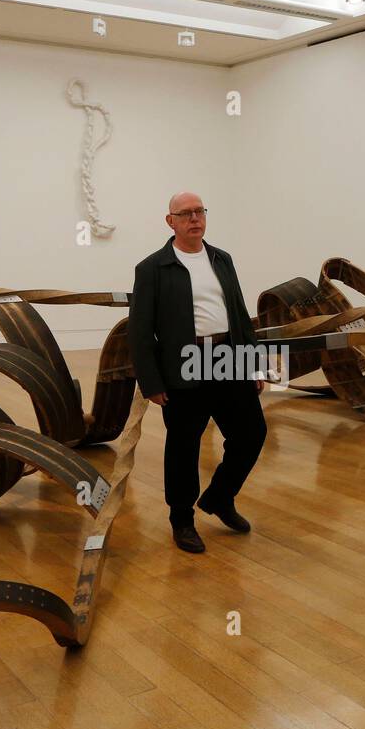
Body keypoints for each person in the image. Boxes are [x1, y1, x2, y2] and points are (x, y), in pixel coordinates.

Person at [127, 192, 267, 554]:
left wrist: (254, 364)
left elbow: (239, 314)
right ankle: (182, 519)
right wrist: (151, 382)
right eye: (185, 213)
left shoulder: (222, 259)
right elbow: (140, 332)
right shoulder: (152, 268)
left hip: (227, 355)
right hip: (184, 361)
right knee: (184, 445)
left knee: (251, 432)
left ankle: (220, 498)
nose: (195, 218)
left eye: (199, 211)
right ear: (170, 221)